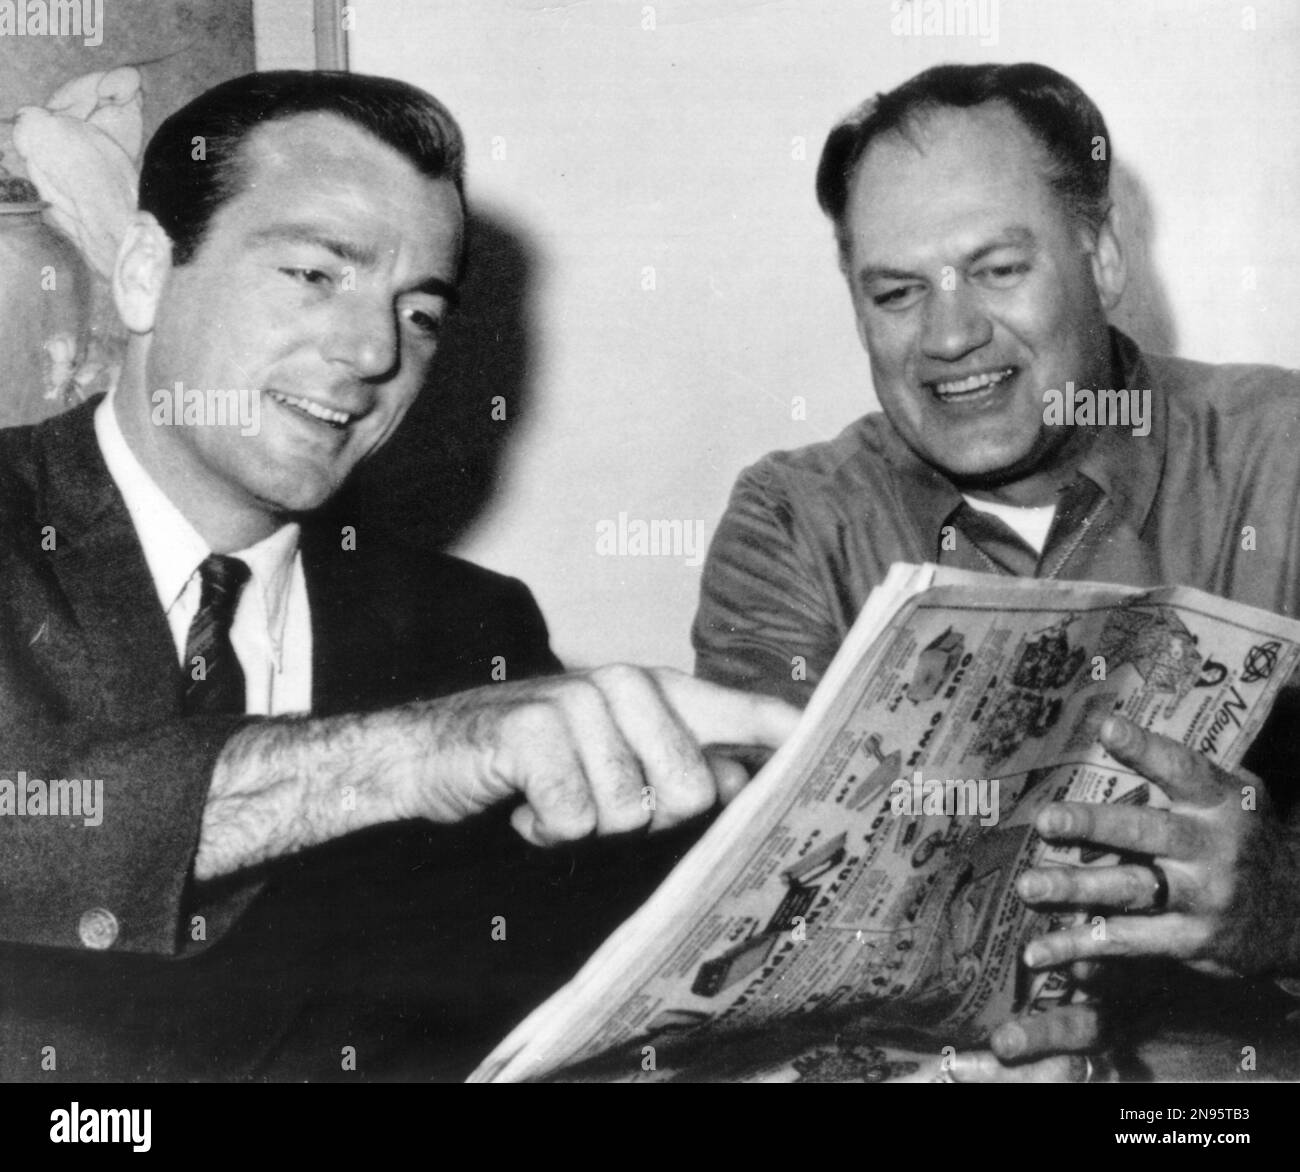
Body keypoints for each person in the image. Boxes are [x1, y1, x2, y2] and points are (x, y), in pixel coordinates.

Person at [0, 70, 798, 1082]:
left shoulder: (471, 629)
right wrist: (401, 757)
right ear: (148, 270)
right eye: (315, 274)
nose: (375, 350)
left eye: (419, 312)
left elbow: (545, 1016)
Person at [692, 61, 1300, 1080]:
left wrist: (1282, 902)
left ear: (1101, 258)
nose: (948, 332)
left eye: (996, 269)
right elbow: (765, 934)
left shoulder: (1280, 457)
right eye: (895, 291)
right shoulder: (791, 521)